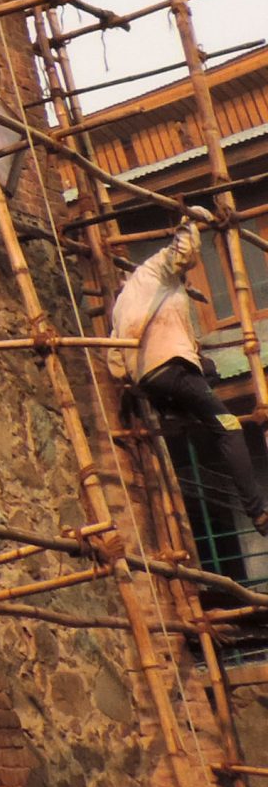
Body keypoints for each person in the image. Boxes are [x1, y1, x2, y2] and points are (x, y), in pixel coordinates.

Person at [111, 207, 268, 541]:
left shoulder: (124, 302)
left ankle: (180, 416)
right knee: (229, 430)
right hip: (173, 371)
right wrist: (193, 221)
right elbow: (181, 254)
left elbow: (114, 361)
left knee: (206, 371)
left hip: (153, 381)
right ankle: (258, 511)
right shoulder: (156, 271)